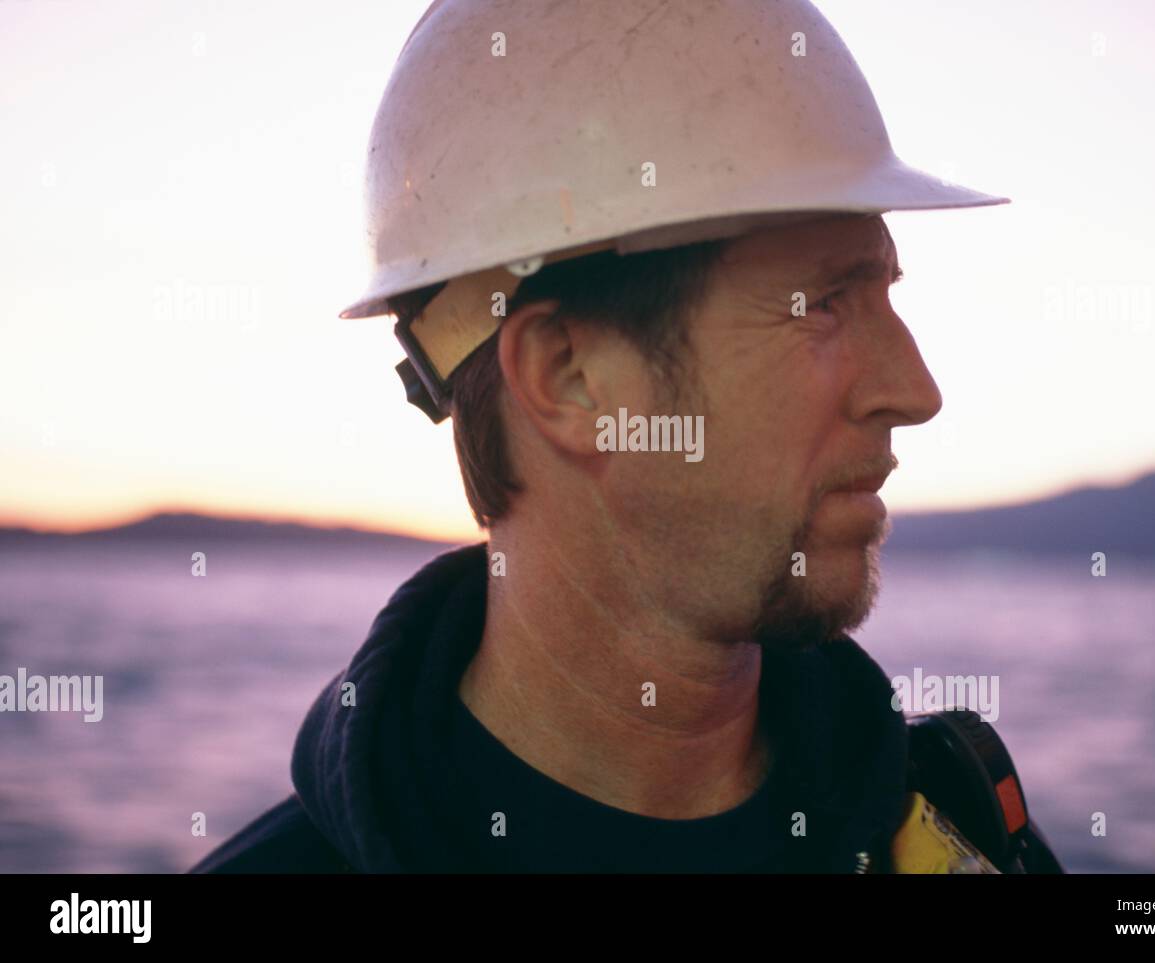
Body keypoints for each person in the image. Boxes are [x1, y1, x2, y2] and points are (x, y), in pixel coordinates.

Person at [192, 0, 1059, 874]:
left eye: (885, 296)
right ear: (569, 376)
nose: (914, 392)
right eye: (824, 303)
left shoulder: (960, 842)